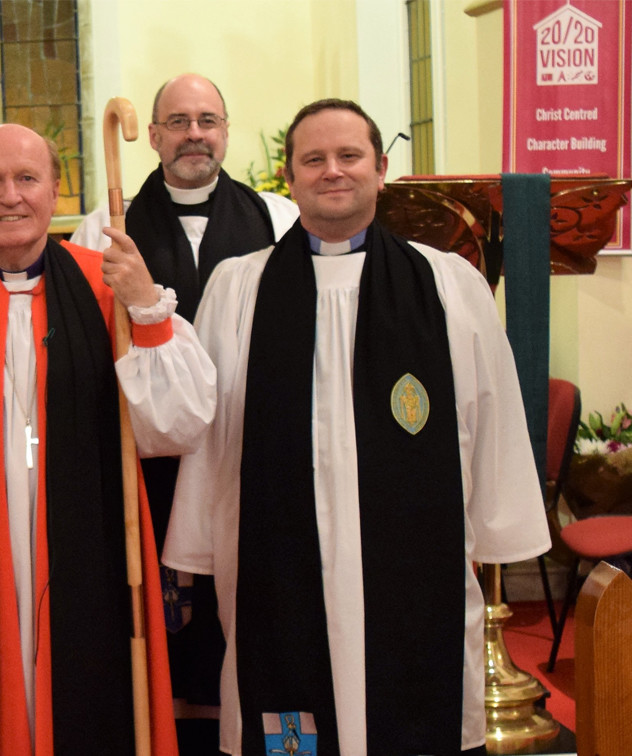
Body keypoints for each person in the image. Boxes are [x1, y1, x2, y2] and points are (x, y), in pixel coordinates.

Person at [162, 99, 551, 756]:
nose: (333, 171)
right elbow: (212, 434)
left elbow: (492, 413)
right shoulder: (239, 288)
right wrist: (200, 534)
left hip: (416, 569)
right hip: (274, 569)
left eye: (349, 156)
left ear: (381, 169)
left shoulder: (448, 283)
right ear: (290, 177)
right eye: (314, 159)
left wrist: (497, 523)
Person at [0, 123, 216, 754]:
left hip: (89, 541)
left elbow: (180, 423)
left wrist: (147, 309)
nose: (10, 196)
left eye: (26, 178)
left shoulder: (110, 284)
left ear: (56, 190)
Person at [72, 73, 300, 736]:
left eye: (207, 120)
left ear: (226, 131)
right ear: (153, 136)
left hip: (248, 445)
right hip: (153, 452)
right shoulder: (105, 226)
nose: (194, 134)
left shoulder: (277, 218)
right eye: (177, 122)